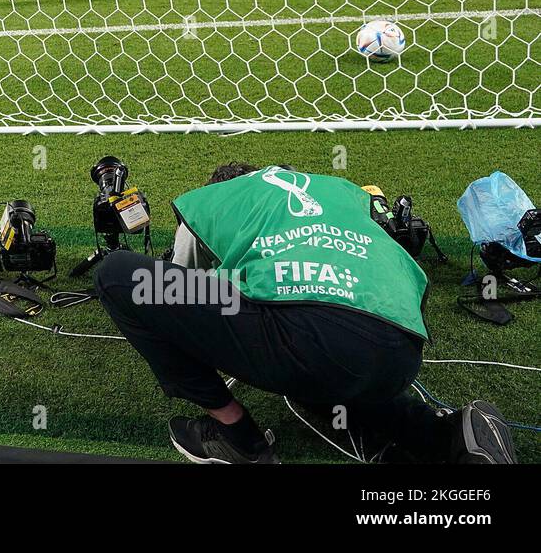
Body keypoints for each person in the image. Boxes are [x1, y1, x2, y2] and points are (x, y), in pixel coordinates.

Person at [93, 162, 517, 464]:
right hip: (401, 349)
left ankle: (236, 437)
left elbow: (182, 285)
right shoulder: (334, 191)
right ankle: (445, 435)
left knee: (116, 275)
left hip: (311, 344)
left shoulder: (216, 203)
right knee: (326, 375)